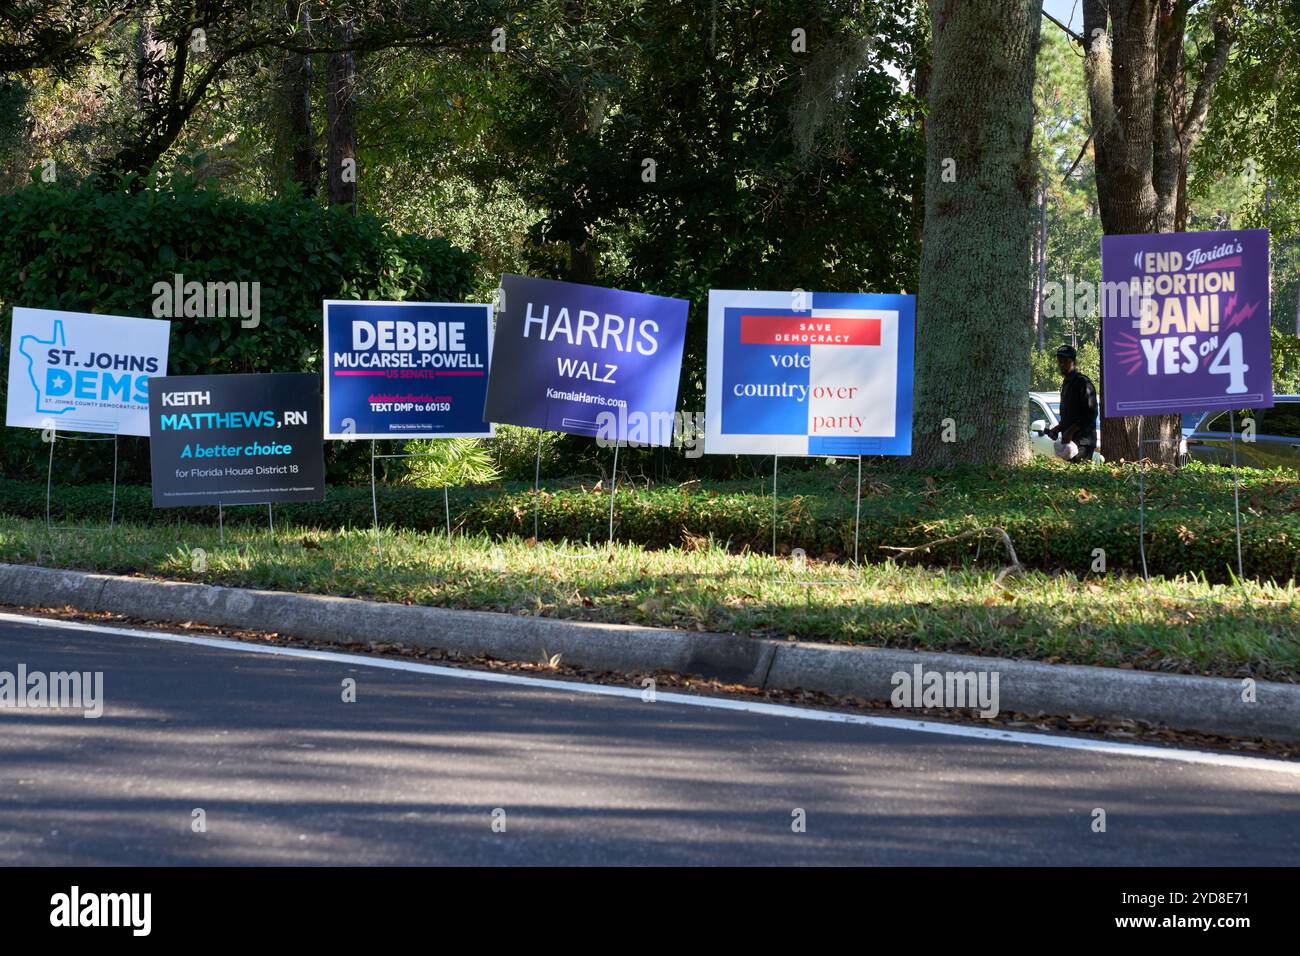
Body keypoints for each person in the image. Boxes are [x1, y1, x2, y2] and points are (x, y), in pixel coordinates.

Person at [1046, 344, 1097, 463]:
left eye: (1065, 361)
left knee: (1079, 477)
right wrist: (1058, 428)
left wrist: (1070, 431)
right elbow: (1069, 415)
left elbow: (1091, 413)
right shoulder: (1066, 384)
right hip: (1070, 442)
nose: (1062, 364)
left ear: (1074, 362)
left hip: (1083, 442)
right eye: (1059, 361)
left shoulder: (1083, 382)